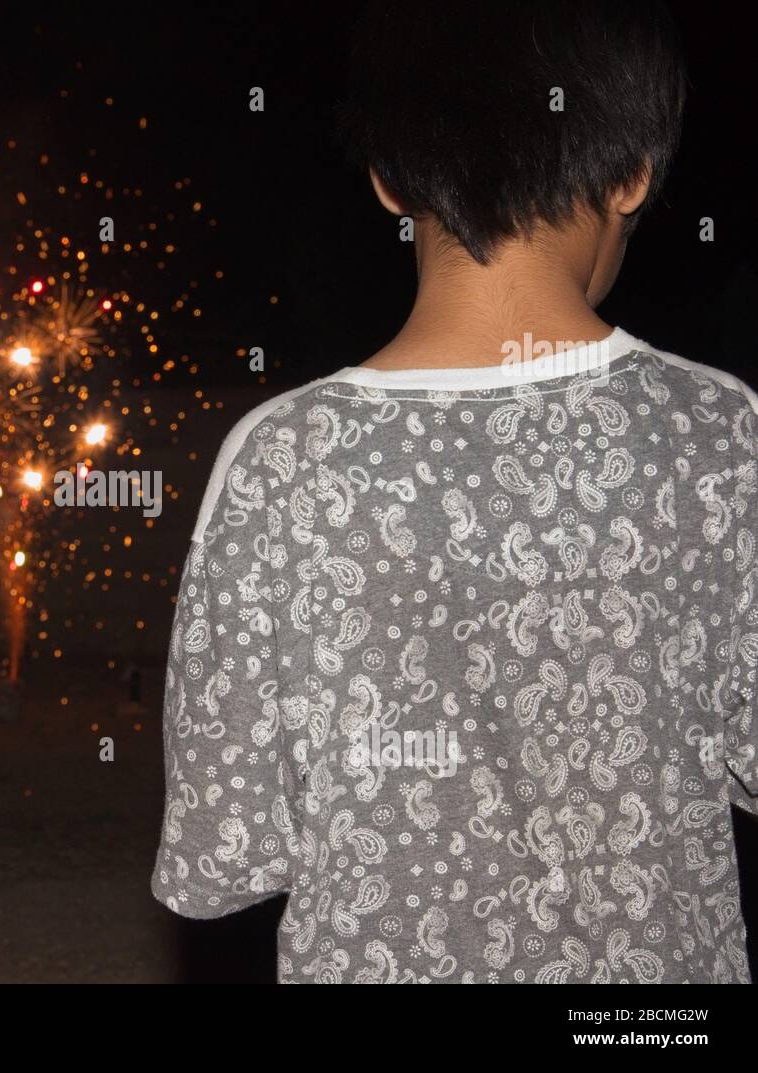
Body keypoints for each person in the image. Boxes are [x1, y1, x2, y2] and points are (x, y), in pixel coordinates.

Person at [152, 0, 757, 983]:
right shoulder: (720, 436)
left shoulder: (278, 463)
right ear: (634, 173)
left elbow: (220, 856)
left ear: (389, 182)